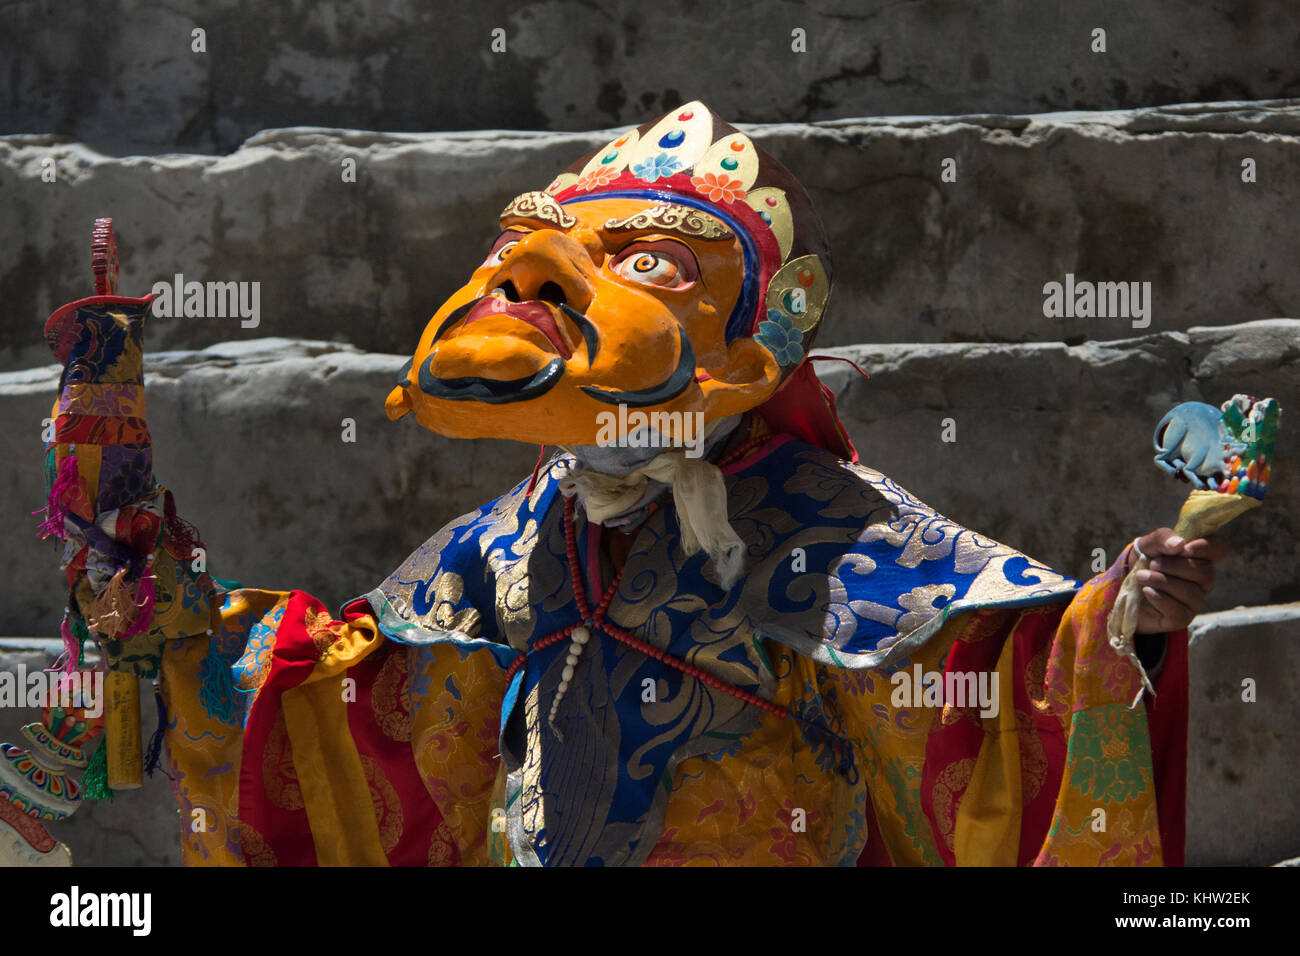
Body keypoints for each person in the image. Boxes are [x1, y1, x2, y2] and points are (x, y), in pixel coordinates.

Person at [28, 101, 1228, 866]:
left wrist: (1115, 619)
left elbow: (980, 669)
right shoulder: (505, 541)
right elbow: (358, 711)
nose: (540, 285)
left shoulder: (820, 521)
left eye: (648, 265)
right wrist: (179, 617)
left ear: (761, 346)